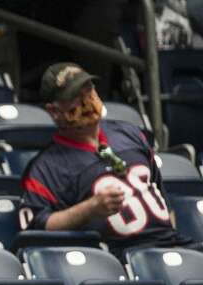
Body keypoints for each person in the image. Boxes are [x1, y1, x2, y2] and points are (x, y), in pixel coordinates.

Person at [19, 62, 189, 255]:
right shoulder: (45, 168)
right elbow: (35, 228)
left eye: (89, 90)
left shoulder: (130, 133)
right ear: (54, 111)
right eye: (75, 96)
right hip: (122, 260)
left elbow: (161, 195)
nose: (87, 100)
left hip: (174, 247)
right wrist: (90, 208)